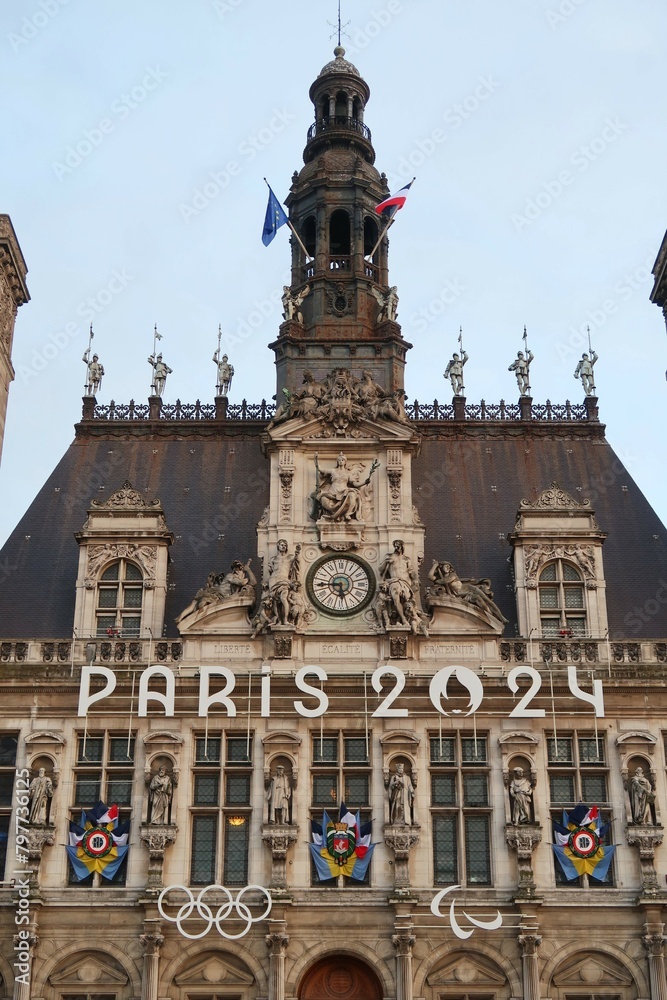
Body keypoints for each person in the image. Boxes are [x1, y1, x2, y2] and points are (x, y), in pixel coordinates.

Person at [312, 453, 379, 522]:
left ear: (345, 462)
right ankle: (332, 514)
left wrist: (365, 482)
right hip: (332, 492)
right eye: (339, 460)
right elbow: (320, 469)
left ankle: (348, 513)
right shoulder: (333, 471)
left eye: (343, 460)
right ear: (337, 462)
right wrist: (316, 459)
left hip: (344, 491)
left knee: (352, 495)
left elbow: (355, 484)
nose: (341, 461)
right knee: (323, 499)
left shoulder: (348, 473)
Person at [379, 540, 418, 627]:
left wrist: (415, 580)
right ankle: (403, 619)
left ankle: (400, 619)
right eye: (396, 545)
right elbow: (380, 569)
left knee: (405, 599)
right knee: (396, 597)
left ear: (402, 546)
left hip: (405, 582)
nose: (397, 547)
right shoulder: (389, 556)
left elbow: (411, 571)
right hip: (393, 581)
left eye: (399, 545)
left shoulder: (406, 559)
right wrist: (386, 562)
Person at [268, 540, 301, 625]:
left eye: (285, 545)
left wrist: (297, 553)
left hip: (284, 579)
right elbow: (270, 570)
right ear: (278, 546)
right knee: (275, 601)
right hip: (273, 579)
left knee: (283, 598)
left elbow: (296, 562)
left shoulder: (289, 557)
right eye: (281, 545)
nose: (283, 546)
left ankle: (285, 620)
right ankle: (278, 620)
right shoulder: (273, 559)